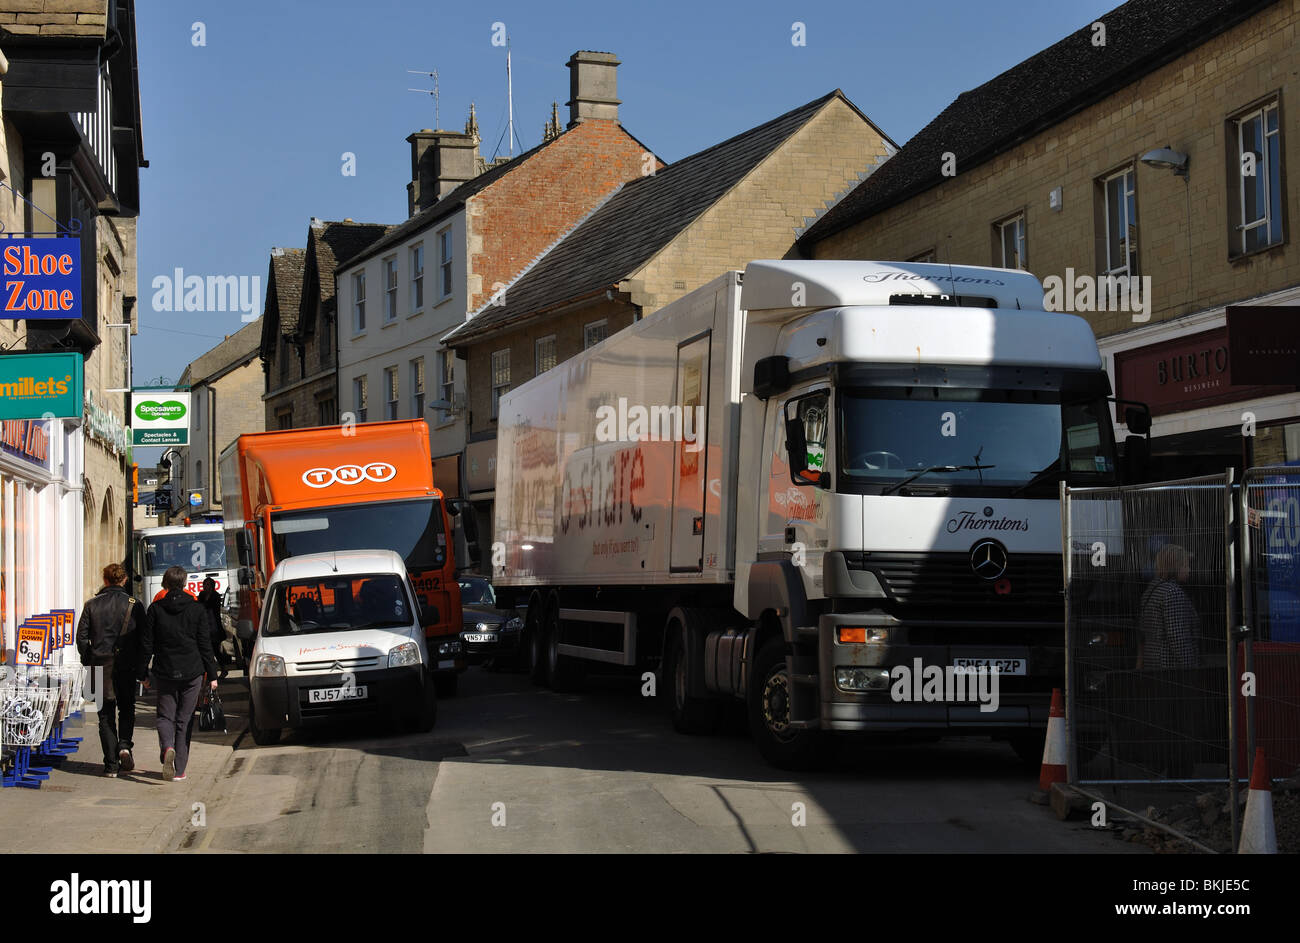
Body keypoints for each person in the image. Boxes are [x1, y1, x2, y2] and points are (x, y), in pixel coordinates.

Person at [139, 565, 218, 782]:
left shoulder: (155, 609)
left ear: (165, 583)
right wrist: (212, 675)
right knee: (184, 720)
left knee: (165, 716)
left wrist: (143, 673)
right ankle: (180, 770)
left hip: (164, 671)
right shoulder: (196, 609)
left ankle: (167, 748)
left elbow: (147, 644)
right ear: (184, 583)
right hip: (192, 672)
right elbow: (205, 644)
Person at [76, 563, 147, 777]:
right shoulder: (135, 604)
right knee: (127, 708)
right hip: (126, 665)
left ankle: (111, 765)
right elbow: (144, 639)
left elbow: (81, 638)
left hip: (99, 665)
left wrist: (89, 658)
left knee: (105, 715)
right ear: (124, 580)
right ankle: (124, 746)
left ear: (105, 580)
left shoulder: (91, 605)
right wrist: (141, 665)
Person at [1136, 544, 1200, 669]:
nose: (1189, 570)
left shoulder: (1153, 589)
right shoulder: (1172, 592)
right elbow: (1177, 636)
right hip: (1171, 665)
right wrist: (1190, 668)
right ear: (1176, 567)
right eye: (1186, 565)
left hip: (1153, 661)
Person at [196, 576, 228, 679]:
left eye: (208, 584)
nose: (206, 586)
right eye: (204, 584)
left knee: (215, 649)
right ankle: (209, 671)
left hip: (214, 625)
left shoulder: (216, 596)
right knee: (205, 650)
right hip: (203, 625)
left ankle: (223, 669)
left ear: (212, 586)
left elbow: (211, 608)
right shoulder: (201, 595)